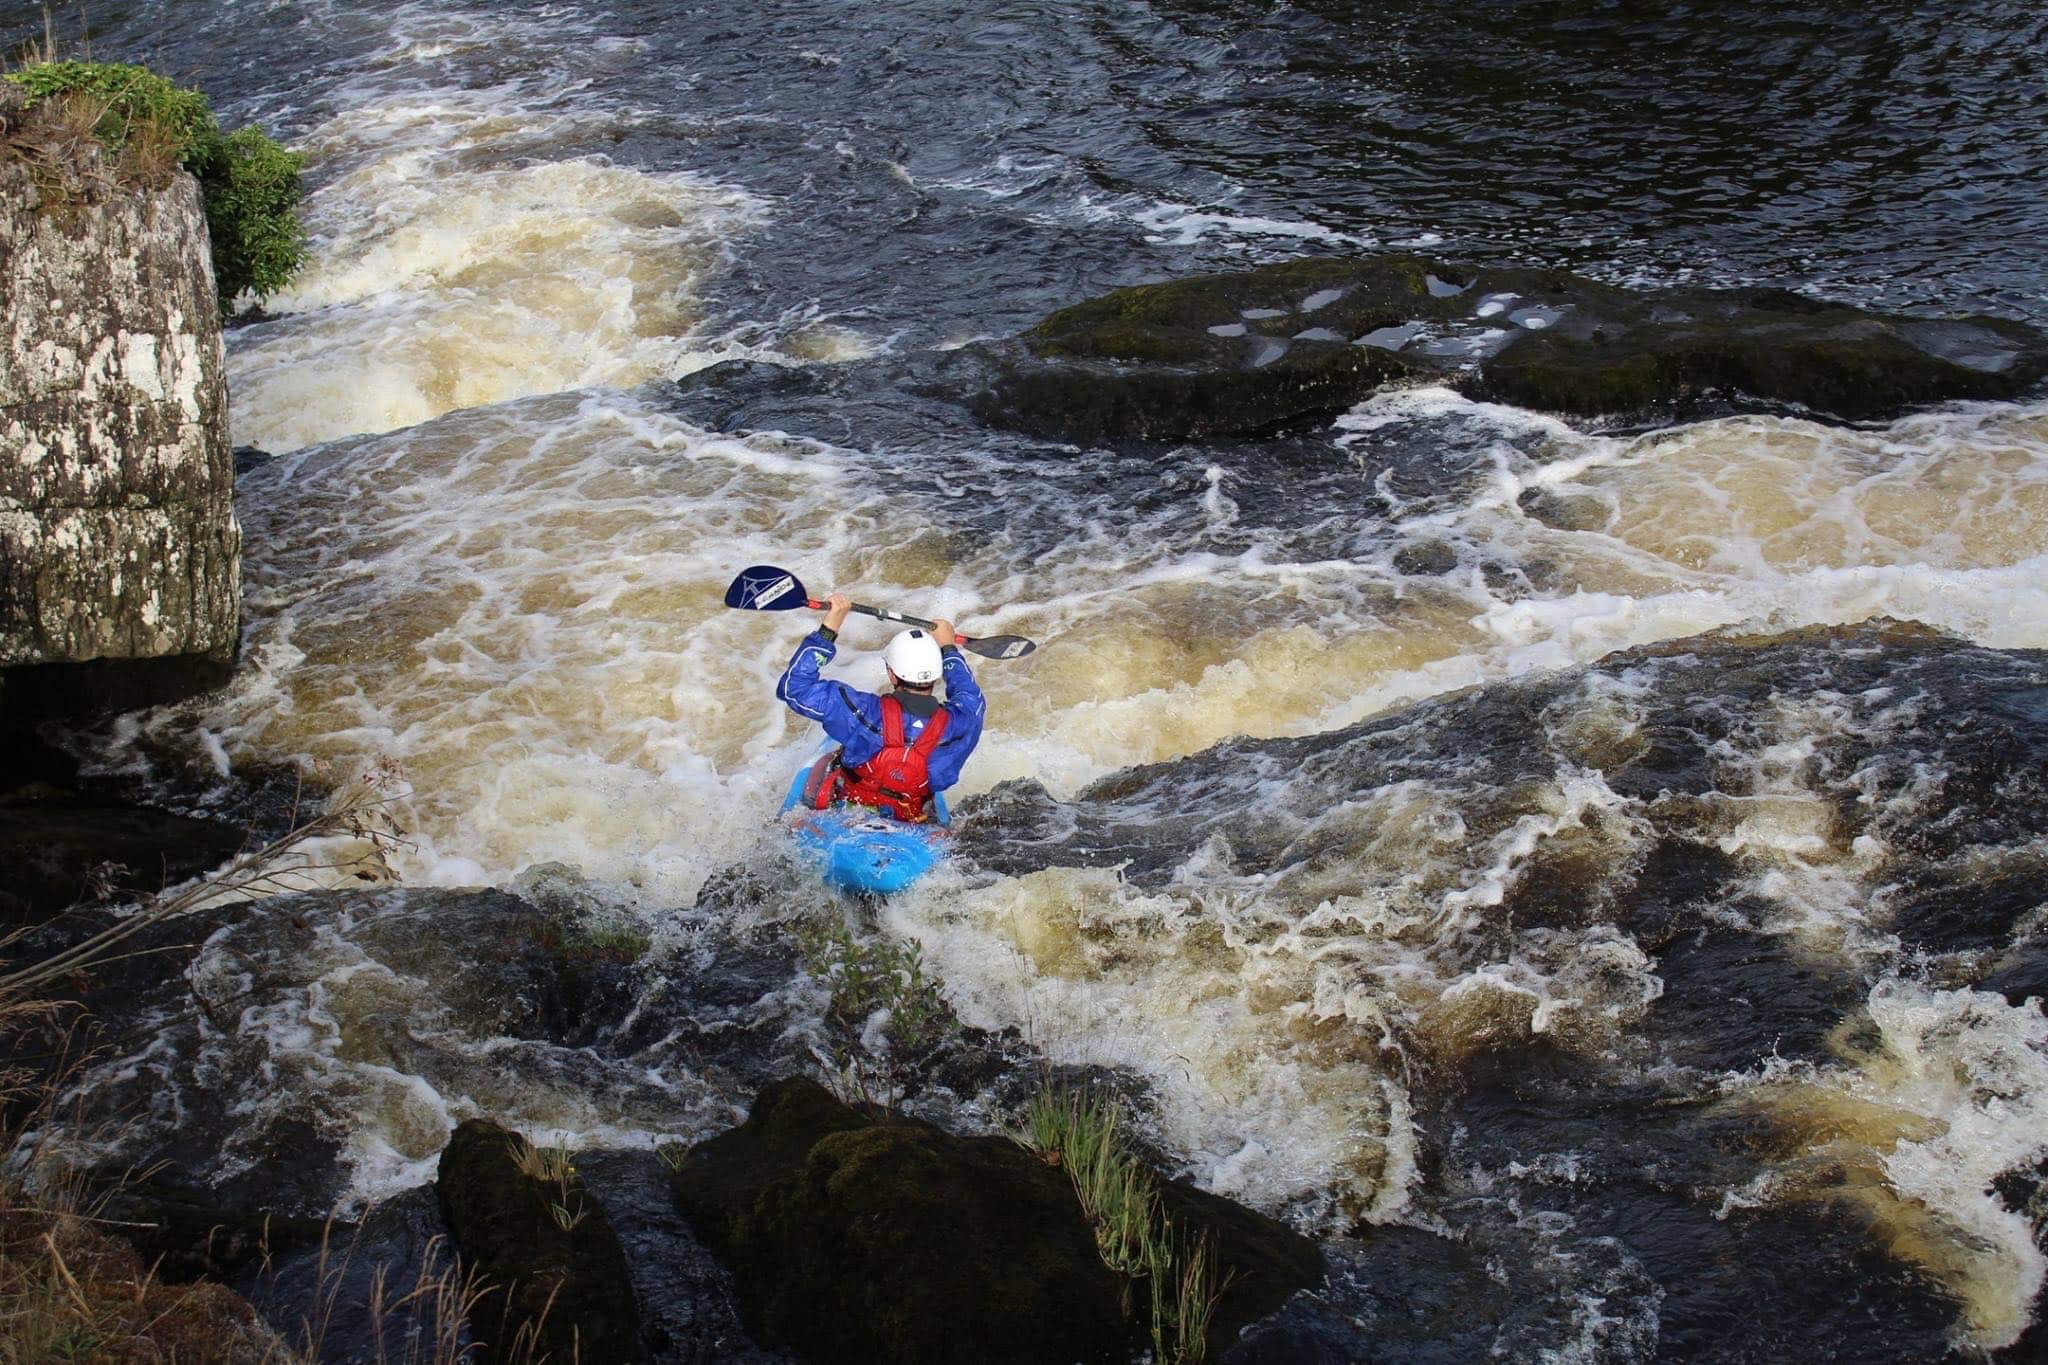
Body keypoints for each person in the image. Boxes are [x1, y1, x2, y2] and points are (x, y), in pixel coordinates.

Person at [775, 591, 985, 823]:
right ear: (937, 675)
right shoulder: (964, 722)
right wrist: (948, 647)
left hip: (846, 815)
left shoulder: (862, 711)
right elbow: (969, 694)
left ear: (891, 674)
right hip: (909, 821)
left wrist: (830, 627)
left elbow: (794, 688)